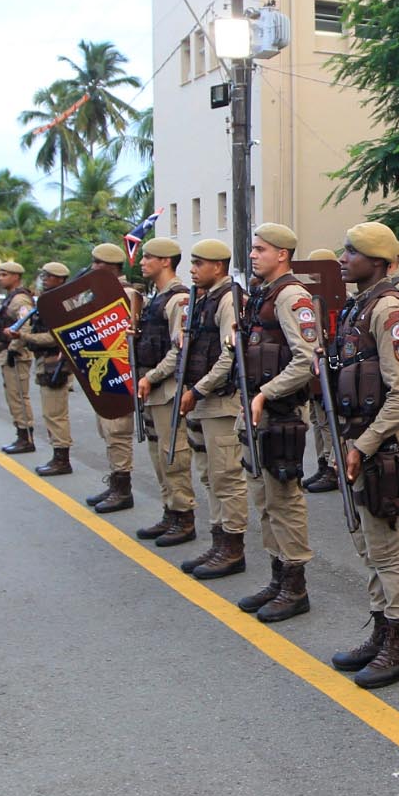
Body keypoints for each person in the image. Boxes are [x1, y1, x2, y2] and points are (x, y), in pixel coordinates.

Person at [326, 222, 399, 689]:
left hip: (381, 446)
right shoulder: (357, 306)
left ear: (379, 262)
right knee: (367, 545)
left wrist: (364, 445)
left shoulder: (389, 310)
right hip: (356, 440)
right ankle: (382, 629)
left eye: (353, 251)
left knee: (388, 549)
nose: (343, 258)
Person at [236, 223, 320, 623]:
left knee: (285, 500)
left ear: (282, 254)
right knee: (264, 499)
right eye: (252, 249)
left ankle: (295, 584)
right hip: (255, 411)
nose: (253, 255)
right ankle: (277, 575)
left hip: (281, 413)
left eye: (260, 249)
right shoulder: (261, 295)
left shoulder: (292, 296)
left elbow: (306, 359)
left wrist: (266, 393)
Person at [177, 239, 250, 580]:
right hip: (202, 402)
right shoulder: (201, 299)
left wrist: (198, 389)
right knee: (209, 475)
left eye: (198, 263)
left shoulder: (227, 301)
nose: (192, 269)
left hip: (220, 402)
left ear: (218, 267)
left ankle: (233, 548)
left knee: (227, 477)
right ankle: (219, 540)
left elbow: (229, 355)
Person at [133, 238, 197, 548]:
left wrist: (153, 377)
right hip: (151, 386)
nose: (142, 262)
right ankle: (170, 510)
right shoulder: (155, 298)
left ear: (166, 262)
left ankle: (184, 516)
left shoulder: (178, 300)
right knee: (158, 453)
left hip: (167, 387)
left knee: (174, 455)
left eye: (149, 257)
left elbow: (178, 350)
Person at [82, 243, 139, 514]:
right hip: (104, 369)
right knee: (106, 429)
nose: (92, 267)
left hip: (121, 372)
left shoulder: (127, 295)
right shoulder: (102, 294)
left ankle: (122, 488)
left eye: (96, 263)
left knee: (117, 431)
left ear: (109, 267)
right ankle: (115, 479)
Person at [19, 262, 75, 477]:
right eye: (43, 275)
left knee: (55, 413)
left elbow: (57, 335)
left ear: (60, 279)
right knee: (51, 412)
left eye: (49, 276)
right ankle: (58, 454)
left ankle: (62, 458)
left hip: (56, 362)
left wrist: (24, 337)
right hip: (45, 360)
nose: (44, 278)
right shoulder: (49, 301)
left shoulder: (60, 303)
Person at [302, 246, 346, 494]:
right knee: (318, 419)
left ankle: (332, 465)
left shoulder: (341, 297)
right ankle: (322, 463)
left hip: (333, 365)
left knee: (330, 421)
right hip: (316, 367)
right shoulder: (311, 296)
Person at [0, 262, 37, 454]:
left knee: (18, 396)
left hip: (16, 354)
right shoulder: (11, 298)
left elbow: (25, 326)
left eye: (4, 275)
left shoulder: (20, 300)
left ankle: (26, 437)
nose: (0, 278)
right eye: (0, 274)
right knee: (13, 395)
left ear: (16, 277)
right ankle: (21, 433)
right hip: (7, 351)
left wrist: (13, 349)